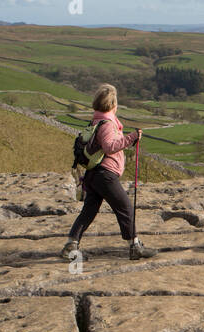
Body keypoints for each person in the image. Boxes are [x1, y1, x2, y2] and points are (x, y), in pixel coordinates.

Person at [61, 84, 153, 261]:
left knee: (88, 211)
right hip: (105, 175)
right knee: (125, 207)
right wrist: (132, 137)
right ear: (113, 105)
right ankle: (134, 246)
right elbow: (110, 147)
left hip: (93, 174)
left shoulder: (96, 121)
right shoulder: (108, 124)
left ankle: (70, 246)